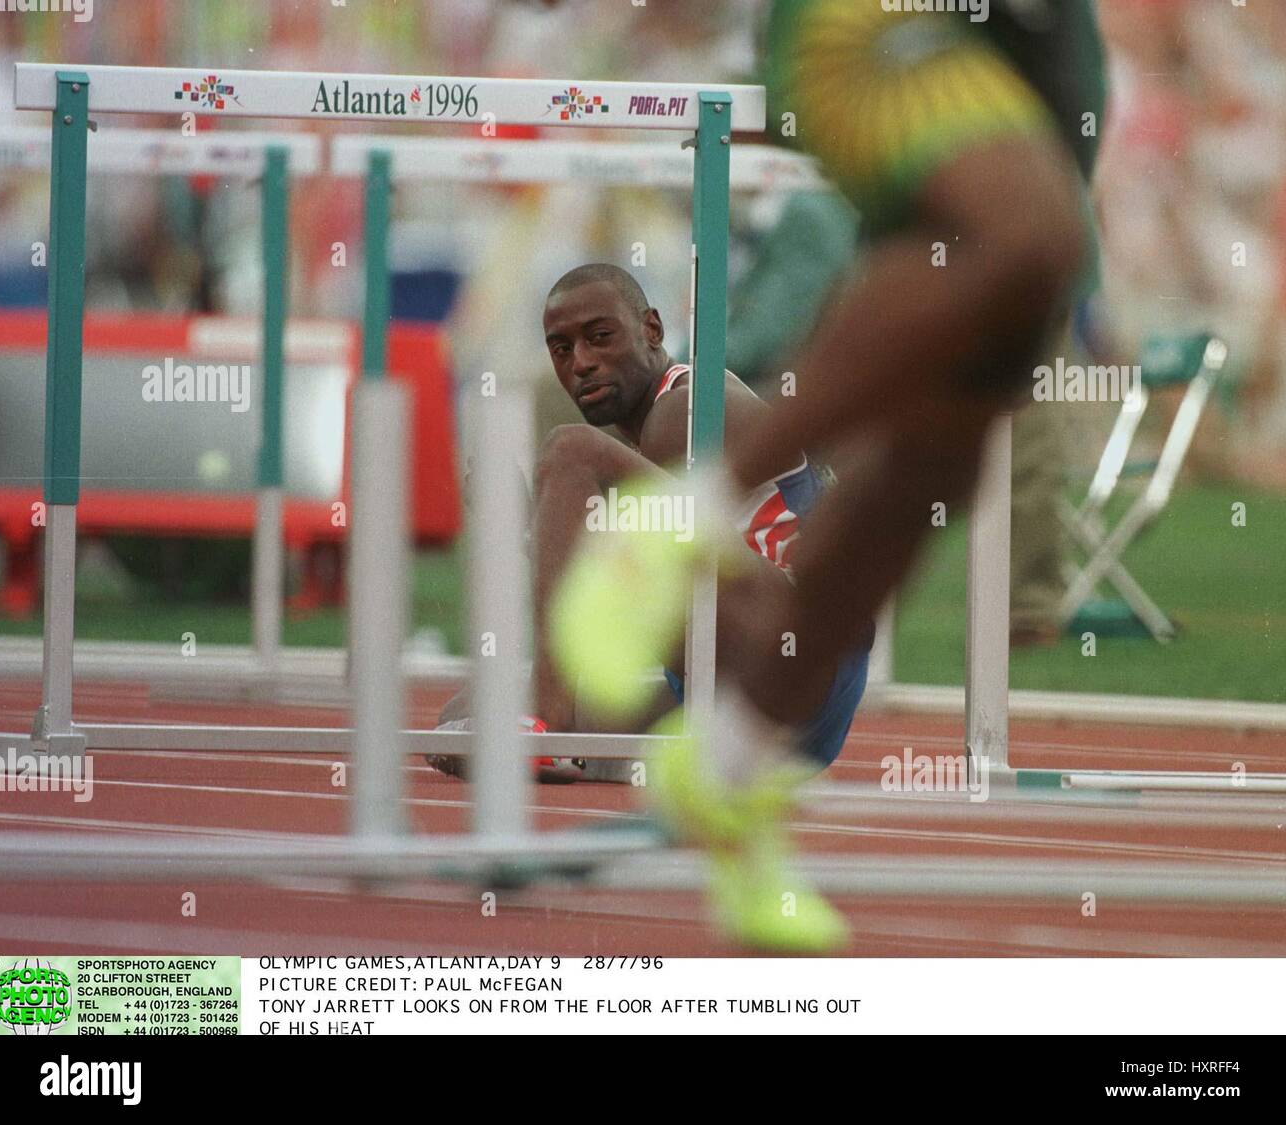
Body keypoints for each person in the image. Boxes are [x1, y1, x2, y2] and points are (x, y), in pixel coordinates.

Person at [549, 0, 1108, 950]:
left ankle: (729, 763)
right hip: (875, 20)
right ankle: (687, 514)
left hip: (1039, 58)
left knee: (944, 445)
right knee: (1030, 232)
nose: (580, 360)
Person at [430, 263, 871, 786]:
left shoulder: (682, 410)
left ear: (652, 331)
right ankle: (572, 746)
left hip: (790, 652)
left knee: (569, 450)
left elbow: (634, 579)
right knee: (460, 718)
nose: (583, 363)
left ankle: (546, 727)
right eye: (562, 349)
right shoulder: (645, 439)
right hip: (723, 686)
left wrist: (527, 525)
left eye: (599, 338)